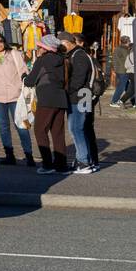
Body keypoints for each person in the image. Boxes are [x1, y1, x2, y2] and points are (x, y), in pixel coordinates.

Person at [0, 32, 34, 167]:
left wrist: (24, 91)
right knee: (4, 127)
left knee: (23, 125)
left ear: (4, 41)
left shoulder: (14, 54)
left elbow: (24, 72)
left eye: (0, 41)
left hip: (16, 97)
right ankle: (9, 155)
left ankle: (29, 155)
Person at [26, 34, 70, 174]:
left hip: (46, 98)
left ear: (45, 48)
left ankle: (47, 164)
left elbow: (30, 81)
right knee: (58, 133)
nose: (38, 48)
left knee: (40, 130)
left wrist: (24, 77)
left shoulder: (42, 60)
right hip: (61, 98)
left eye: (40, 46)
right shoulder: (64, 60)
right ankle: (61, 166)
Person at [62, 32, 99, 173]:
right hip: (84, 96)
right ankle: (88, 161)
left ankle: (84, 162)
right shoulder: (79, 55)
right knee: (84, 129)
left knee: (77, 129)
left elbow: (78, 80)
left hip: (81, 96)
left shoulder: (79, 56)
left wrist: (65, 91)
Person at [109, 35, 133, 109]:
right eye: (129, 41)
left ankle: (131, 101)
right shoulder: (123, 49)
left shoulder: (119, 48)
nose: (129, 42)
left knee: (128, 87)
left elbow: (114, 60)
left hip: (121, 70)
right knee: (121, 87)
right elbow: (128, 59)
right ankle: (114, 101)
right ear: (127, 42)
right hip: (123, 70)